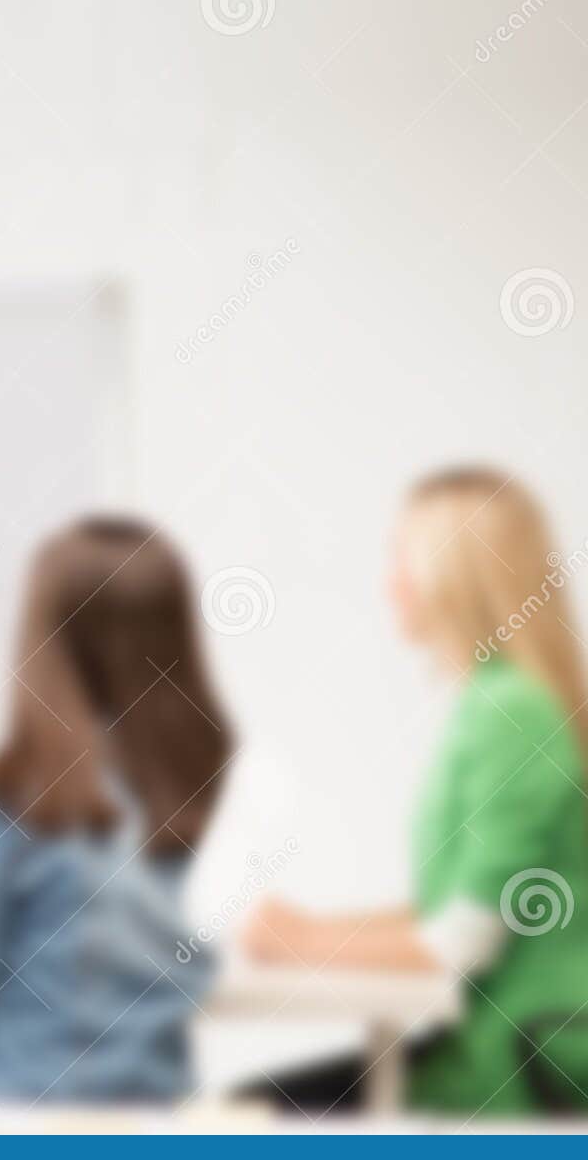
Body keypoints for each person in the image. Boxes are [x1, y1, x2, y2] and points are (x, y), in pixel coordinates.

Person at [245, 467, 588, 1115]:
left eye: (402, 560)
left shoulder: (512, 714)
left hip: (516, 1070)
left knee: (243, 1119)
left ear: (455, 577)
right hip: (498, 1051)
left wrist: (301, 946)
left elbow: (458, 943)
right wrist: (315, 928)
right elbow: (456, 907)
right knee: (247, 1111)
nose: (391, 586)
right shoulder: (498, 702)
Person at [0, 517, 233, 1105]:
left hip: (14, 1126)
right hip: (157, 1123)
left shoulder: (7, 806)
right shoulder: (190, 797)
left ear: (43, 642)